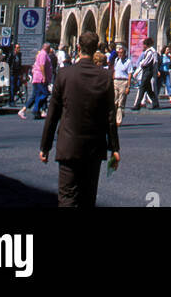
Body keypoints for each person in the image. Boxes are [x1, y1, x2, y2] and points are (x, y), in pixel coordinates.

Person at [39, 30, 120, 208]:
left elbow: (53, 113)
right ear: (97, 49)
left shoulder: (64, 74)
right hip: (93, 147)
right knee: (87, 199)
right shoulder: (105, 77)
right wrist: (114, 147)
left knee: (67, 197)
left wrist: (45, 146)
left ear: (78, 48)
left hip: (68, 145)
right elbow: (110, 116)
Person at [19, 41, 53, 120]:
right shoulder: (43, 54)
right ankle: (36, 109)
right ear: (47, 47)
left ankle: (34, 111)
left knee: (36, 95)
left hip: (39, 78)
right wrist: (44, 77)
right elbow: (42, 66)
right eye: (49, 48)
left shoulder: (43, 54)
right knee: (45, 93)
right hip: (40, 78)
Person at [132, 38, 160, 111]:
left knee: (142, 87)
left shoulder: (150, 52)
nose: (143, 46)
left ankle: (137, 104)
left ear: (146, 45)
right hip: (147, 71)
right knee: (148, 89)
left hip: (148, 71)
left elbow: (145, 63)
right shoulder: (150, 51)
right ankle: (155, 103)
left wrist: (140, 64)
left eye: (144, 44)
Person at [112, 43, 132, 125]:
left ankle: (118, 120)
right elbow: (114, 71)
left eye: (121, 53)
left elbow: (130, 74)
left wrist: (128, 86)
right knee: (114, 101)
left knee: (121, 102)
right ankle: (118, 115)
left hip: (124, 81)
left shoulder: (128, 62)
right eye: (119, 53)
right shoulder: (116, 60)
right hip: (116, 81)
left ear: (125, 53)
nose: (120, 54)